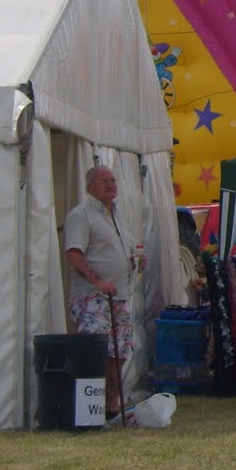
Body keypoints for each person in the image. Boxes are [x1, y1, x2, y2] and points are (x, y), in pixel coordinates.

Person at [62, 164, 138, 422]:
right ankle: (89, 409)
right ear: (90, 186)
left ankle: (111, 409)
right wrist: (97, 282)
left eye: (113, 180)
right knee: (95, 352)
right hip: (92, 298)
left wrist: (134, 261)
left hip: (120, 296)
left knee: (119, 353)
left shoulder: (116, 214)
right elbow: (73, 255)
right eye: (104, 181)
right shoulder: (81, 215)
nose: (111, 185)